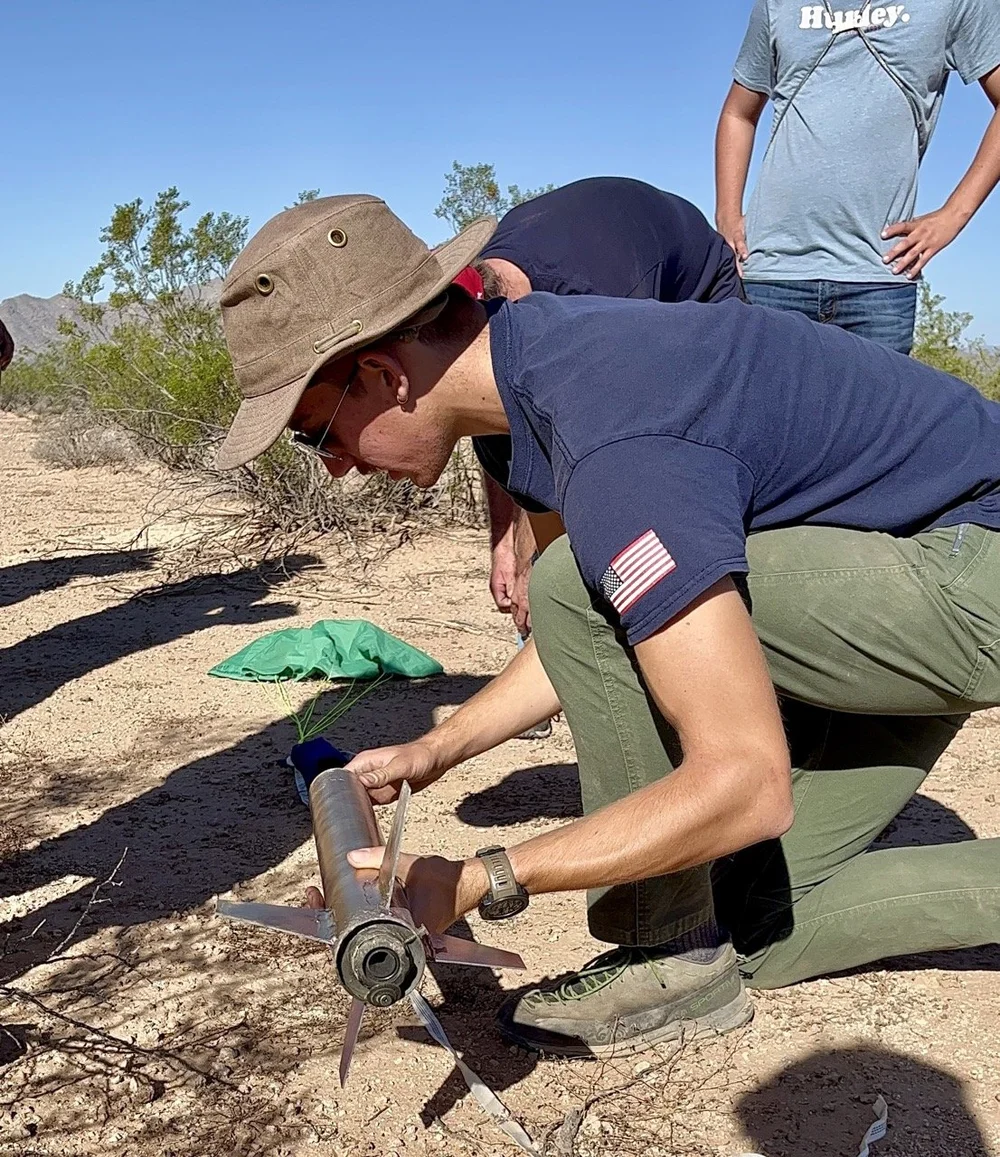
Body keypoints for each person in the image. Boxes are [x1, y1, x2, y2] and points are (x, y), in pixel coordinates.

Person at [215, 195, 1000, 1060]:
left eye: (313, 432)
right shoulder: (542, 361)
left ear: (383, 375)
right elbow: (618, 614)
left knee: (569, 582)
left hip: (969, 569)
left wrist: (485, 879)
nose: (336, 466)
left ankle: (662, 954)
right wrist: (433, 752)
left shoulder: (612, 436)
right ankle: (692, 948)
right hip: (896, 567)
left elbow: (745, 780)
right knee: (768, 923)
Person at [473, 177, 744, 640]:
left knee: (651, 492)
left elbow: (604, 461)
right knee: (553, 562)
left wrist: (544, 567)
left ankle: (691, 614)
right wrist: (506, 544)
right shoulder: (484, 310)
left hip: (696, 288)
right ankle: (555, 637)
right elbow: (500, 435)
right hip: (599, 248)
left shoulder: (600, 300)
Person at [715, 0, 1000, 354]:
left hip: (879, 281)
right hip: (772, 273)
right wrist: (726, 214)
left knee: (876, 412)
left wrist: (953, 216)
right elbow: (738, 114)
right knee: (762, 409)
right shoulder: (777, 5)